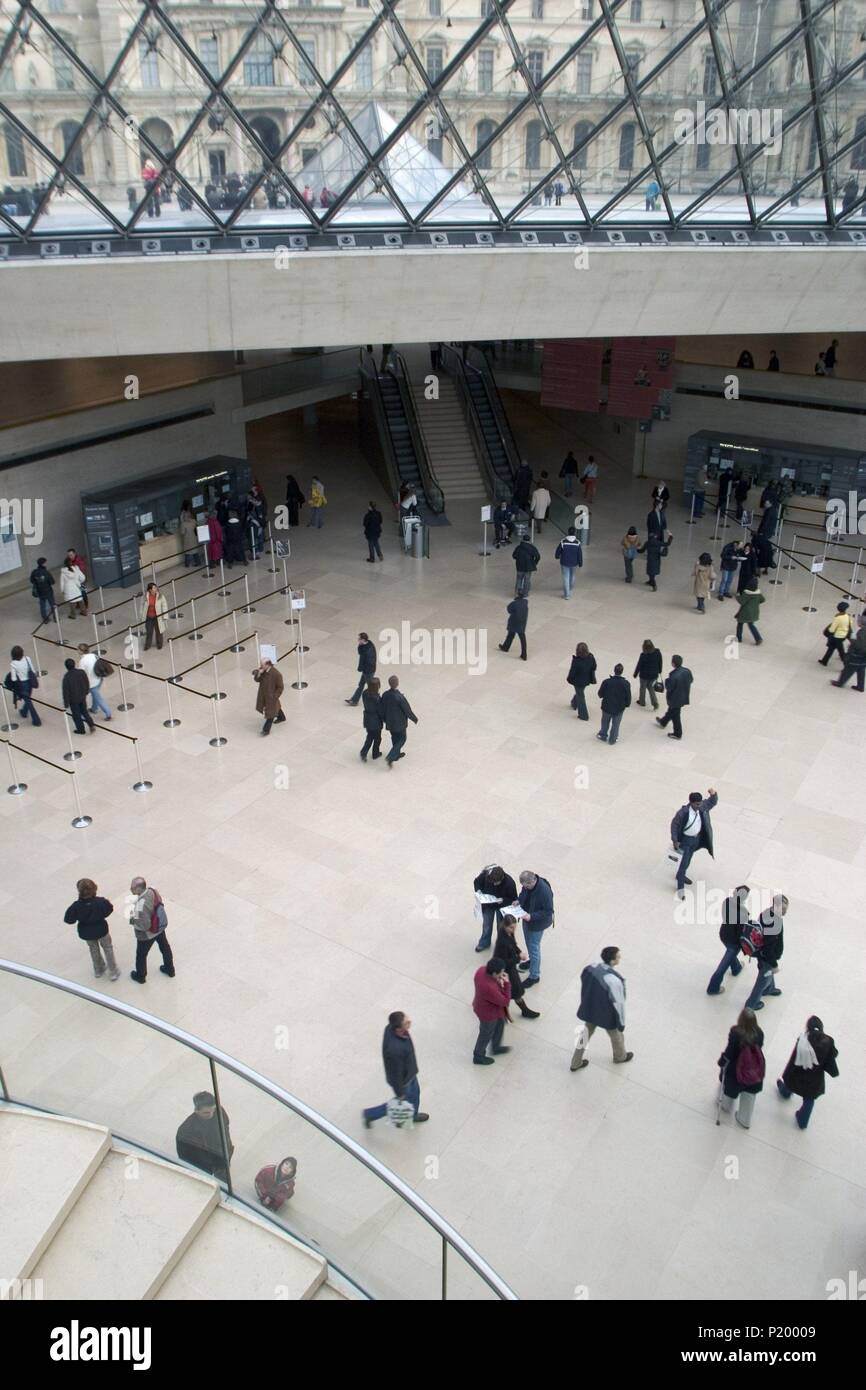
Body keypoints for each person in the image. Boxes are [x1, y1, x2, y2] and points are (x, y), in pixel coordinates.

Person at [570, 947, 632, 1070]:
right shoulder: (614, 981)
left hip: (591, 1009)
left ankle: (575, 1063)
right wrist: (621, 1022)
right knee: (616, 1036)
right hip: (607, 1014)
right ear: (613, 961)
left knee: (585, 1034)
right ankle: (620, 1057)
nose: (620, 958)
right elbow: (618, 1003)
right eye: (618, 957)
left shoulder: (591, 967)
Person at [362, 1012, 428, 1126]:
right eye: (407, 1022)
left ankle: (413, 1115)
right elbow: (395, 1073)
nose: (410, 1022)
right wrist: (400, 1092)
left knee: (415, 1094)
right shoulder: (395, 1050)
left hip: (410, 1073)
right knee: (400, 1102)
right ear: (398, 1029)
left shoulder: (393, 1029)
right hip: (404, 1081)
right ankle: (370, 1114)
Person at [776, 1017, 839, 1130]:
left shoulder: (802, 1040)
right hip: (815, 1078)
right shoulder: (828, 1041)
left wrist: (786, 1074)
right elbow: (833, 1054)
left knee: (790, 1084)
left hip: (798, 1073)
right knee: (809, 1099)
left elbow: (793, 1060)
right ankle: (802, 1121)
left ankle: (785, 1092)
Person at [64, 878, 120, 981]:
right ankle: (113, 971)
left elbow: (68, 919)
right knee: (108, 949)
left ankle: (98, 969)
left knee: (93, 950)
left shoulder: (76, 906)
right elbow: (109, 909)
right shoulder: (101, 902)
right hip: (102, 930)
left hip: (87, 932)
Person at [717, 1008, 765, 1129]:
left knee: (730, 1090)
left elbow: (729, 1052)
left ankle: (725, 1106)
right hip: (754, 1070)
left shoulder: (735, 1033)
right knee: (749, 1095)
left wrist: (722, 1062)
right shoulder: (759, 1033)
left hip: (736, 1071)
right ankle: (744, 1119)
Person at [670, 787, 718, 897]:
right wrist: (675, 840)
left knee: (688, 860)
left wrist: (713, 794)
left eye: (700, 803)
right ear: (691, 803)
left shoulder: (701, 807)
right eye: (697, 804)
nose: (699, 806)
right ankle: (680, 888)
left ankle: (680, 876)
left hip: (695, 840)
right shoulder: (683, 813)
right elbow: (674, 825)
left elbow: (712, 802)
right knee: (683, 863)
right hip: (685, 841)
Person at [176, 1092, 233, 1180]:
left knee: (224, 1180)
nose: (212, 1114)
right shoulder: (185, 1131)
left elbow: (226, 1129)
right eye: (206, 1112)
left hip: (221, 1157)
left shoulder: (219, 1111)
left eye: (213, 1110)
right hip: (202, 1166)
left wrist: (227, 1152)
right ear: (196, 1111)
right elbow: (184, 1157)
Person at [128, 875, 175, 984]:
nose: (130, 889)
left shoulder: (140, 905)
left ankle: (141, 976)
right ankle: (170, 969)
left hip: (147, 935)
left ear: (139, 888)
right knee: (165, 948)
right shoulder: (152, 891)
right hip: (159, 926)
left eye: (133, 887)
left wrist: (133, 920)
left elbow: (144, 926)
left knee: (141, 955)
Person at [744, 894, 787, 1011]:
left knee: (767, 973)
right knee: (762, 980)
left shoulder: (766, 913)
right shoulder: (775, 923)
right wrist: (774, 964)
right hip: (767, 957)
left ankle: (770, 989)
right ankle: (751, 1004)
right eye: (784, 909)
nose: (785, 911)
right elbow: (769, 949)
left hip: (760, 952)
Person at [706, 886, 751, 995]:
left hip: (724, 934)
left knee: (730, 955)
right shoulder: (743, 913)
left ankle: (736, 968)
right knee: (724, 964)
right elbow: (741, 931)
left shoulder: (727, 901)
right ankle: (713, 987)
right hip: (734, 941)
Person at [494, 915, 540, 1019]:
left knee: (515, 991)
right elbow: (504, 961)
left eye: (514, 927)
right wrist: (519, 958)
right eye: (511, 927)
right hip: (504, 971)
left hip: (509, 969)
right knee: (509, 992)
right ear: (505, 926)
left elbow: (513, 945)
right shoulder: (502, 942)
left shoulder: (508, 933)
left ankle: (523, 1010)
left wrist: (518, 952)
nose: (513, 930)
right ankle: (504, 1013)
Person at [517, 869, 554, 988]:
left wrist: (531, 916)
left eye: (527, 885)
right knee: (529, 944)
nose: (525, 888)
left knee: (534, 947)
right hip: (526, 917)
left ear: (533, 880)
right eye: (524, 886)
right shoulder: (527, 886)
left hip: (536, 923)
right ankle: (532, 962)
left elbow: (548, 911)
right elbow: (523, 895)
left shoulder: (544, 891)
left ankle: (534, 976)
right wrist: (518, 901)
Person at [472, 958, 512, 1065]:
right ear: (494, 973)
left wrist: (497, 980)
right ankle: (478, 1055)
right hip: (488, 1014)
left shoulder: (481, 970)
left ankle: (496, 1046)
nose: (503, 974)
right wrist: (507, 984)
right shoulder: (489, 987)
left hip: (488, 1008)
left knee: (500, 1024)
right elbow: (505, 1002)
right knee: (485, 1033)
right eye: (501, 973)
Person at [473, 864, 518, 952]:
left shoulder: (510, 883)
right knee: (487, 925)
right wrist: (478, 892)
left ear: (501, 879)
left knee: (501, 927)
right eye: (492, 882)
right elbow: (477, 882)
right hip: (488, 905)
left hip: (501, 907)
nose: (494, 884)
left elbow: (513, 899)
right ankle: (484, 942)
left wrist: (503, 900)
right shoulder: (486, 875)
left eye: (496, 882)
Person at [380, 674, 418, 765]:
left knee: (394, 737)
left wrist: (384, 719)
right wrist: (414, 718)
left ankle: (396, 754)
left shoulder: (385, 694)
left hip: (389, 722)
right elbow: (407, 710)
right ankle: (391, 756)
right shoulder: (400, 697)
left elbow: (381, 708)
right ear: (397, 684)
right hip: (399, 723)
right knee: (402, 739)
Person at [656, 653, 692, 741]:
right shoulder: (687, 671)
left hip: (675, 698)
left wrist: (667, 681)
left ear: (673, 664)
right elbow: (691, 680)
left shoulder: (674, 675)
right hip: (683, 695)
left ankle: (677, 733)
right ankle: (663, 721)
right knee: (672, 710)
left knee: (676, 715)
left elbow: (669, 687)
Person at [596, 663, 631, 746]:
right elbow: (628, 696)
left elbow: (600, 694)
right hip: (619, 708)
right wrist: (626, 704)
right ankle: (613, 739)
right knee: (616, 724)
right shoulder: (626, 683)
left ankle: (603, 735)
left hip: (607, 706)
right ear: (622, 672)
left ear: (614, 671)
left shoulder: (607, 682)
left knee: (605, 722)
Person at [7, 646, 41, 726]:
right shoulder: (27, 659)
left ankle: (36, 720)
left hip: (22, 685)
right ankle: (24, 712)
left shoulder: (13, 664)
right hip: (30, 682)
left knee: (29, 702)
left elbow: (14, 678)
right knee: (28, 699)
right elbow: (32, 670)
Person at [832, 614, 866, 692]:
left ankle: (839, 683)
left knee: (848, 669)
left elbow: (859, 645)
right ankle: (860, 687)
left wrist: (852, 640)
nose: (858, 622)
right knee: (861, 670)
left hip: (857, 656)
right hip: (864, 658)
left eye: (859, 621)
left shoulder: (862, 632)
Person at [77, 644, 112, 720]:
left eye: (78, 649)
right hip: (99, 679)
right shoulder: (93, 655)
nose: (77, 651)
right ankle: (94, 709)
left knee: (97, 698)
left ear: (81, 651)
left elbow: (81, 674)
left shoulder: (82, 661)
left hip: (91, 683)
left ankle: (108, 713)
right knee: (95, 695)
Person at [62, 656, 94, 735]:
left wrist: (66, 703)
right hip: (82, 696)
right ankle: (91, 724)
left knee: (76, 715)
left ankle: (81, 729)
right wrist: (86, 691)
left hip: (73, 700)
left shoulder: (66, 678)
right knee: (84, 711)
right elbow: (86, 682)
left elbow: (65, 692)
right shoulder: (81, 672)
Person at [253, 657, 286, 736]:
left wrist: (274, 696)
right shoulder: (263, 671)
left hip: (271, 697)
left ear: (267, 664)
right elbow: (257, 680)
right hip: (264, 695)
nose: (260, 666)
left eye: (262, 664)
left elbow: (280, 687)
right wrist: (259, 673)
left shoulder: (277, 674)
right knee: (276, 707)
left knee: (270, 714)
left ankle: (266, 730)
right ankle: (281, 717)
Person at [567, 641, 596, 720]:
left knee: (581, 696)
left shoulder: (576, 661)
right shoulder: (591, 657)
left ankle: (583, 715)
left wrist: (569, 679)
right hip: (587, 680)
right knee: (580, 693)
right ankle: (574, 703)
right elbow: (594, 666)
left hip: (578, 682)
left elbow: (572, 672)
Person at [346, 632, 377, 706]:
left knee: (371, 687)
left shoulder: (366, 650)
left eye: (359, 639)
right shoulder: (368, 644)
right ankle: (354, 700)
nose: (358, 640)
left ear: (363, 640)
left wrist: (363, 669)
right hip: (366, 670)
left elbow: (368, 661)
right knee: (361, 685)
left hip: (368, 671)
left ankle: (376, 701)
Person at [820, 601, 854, 666]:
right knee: (831, 648)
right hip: (844, 635)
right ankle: (824, 661)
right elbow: (850, 623)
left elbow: (832, 629)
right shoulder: (847, 616)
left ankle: (846, 665)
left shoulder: (838, 618)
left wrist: (828, 631)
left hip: (837, 636)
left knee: (841, 652)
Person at [633, 639, 662, 711]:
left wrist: (635, 674)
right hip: (654, 674)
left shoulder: (643, 655)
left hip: (644, 675)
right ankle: (655, 703)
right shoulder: (657, 652)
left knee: (642, 688)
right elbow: (660, 661)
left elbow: (639, 665)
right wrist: (660, 670)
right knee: (651, 687)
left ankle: (642, 702)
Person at [359, 676, 383, 761]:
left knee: (370, 736)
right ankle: (375, 753)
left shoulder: (365, 693)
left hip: (367, 719)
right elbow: (380, 710)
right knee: (377, 738)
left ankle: (364, 752)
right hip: (376, 721)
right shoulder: (377, 698)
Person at [554, 528, 583, 598]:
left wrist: (557, 556)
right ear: (574, 533)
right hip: (574, 563)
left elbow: (558, 551)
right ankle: (569, 588)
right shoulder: (577, 542)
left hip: (564, 562)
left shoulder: (563, 542)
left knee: (566, 577)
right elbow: (579, 554)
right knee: (572, 576)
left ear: (568, 532)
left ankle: (567, 595)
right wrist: (580, 563)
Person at [499, 594, 528, 660]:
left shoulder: (514, 603)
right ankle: (524, 654)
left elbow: (509, 609)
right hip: (522, 622)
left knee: (510, 635)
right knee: (522, 637)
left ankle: (505, 647)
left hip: (514, 622)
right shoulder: (525, 603)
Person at [140, 582, 167, 651]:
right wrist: (141, 615)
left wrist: (165, 615)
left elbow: (164, 605)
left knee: (159, 631)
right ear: (150, 590)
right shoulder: (145, 597)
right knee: (149, 631)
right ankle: (147, 645)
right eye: (154, 588)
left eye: (156, 587)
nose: (156, 589)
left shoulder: (160, 596)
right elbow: (142, 606)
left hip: (158, 617)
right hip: (148, 616)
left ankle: (159, 644)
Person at [29, 557, 56, 623]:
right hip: (48, 592)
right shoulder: (46, 572)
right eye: (45, 562)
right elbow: (52, 582)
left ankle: (45, 619)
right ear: (43, 564)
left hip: (40, 592)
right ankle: (55, 618)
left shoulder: (34, 572)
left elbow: (32, 580)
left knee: (42, 606)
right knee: (52, 604)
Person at [179, 500, 200, 566]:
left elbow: (182, 532)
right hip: (193, 537)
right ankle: (198, 562)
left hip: (186, 538)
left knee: (187, 551)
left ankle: (187, 564)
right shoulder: (193, 521)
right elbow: (196, 524)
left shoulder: (183, 523)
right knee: (195, 551)